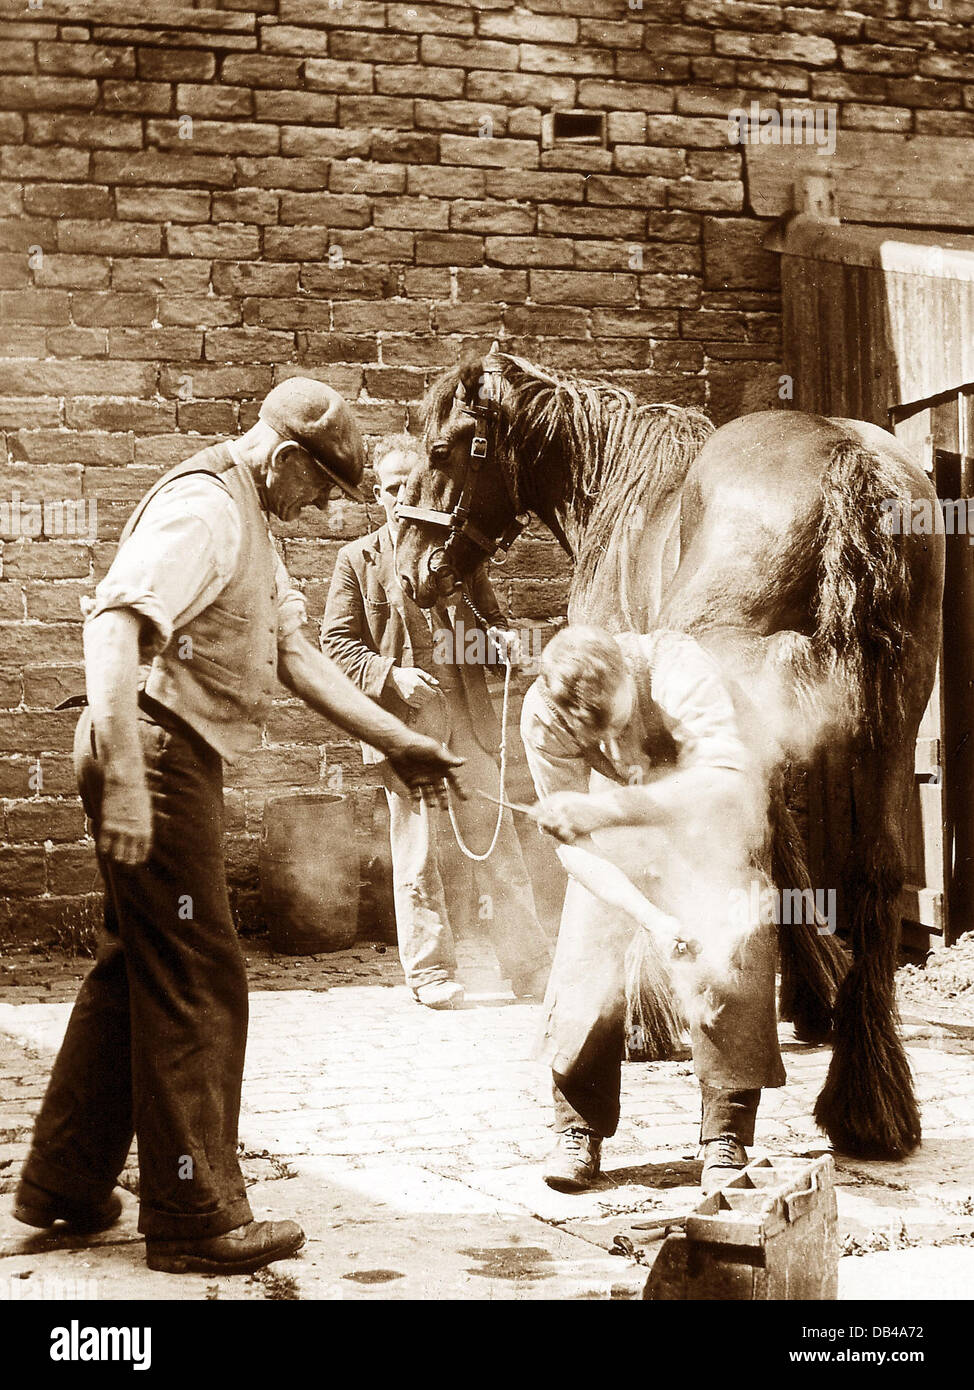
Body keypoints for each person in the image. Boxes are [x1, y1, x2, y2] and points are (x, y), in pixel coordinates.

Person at [13, 380, 463, 1274]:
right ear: (287, 459)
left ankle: (63, 1189)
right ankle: (196, 1218)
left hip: (163, 749)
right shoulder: (208, 509)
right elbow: (112, 629)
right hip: (151, 745)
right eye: (322, 488)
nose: (323, 507)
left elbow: (295, 652)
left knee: (132, 969)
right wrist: (132, 783)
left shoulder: (250, 515)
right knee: (200, 977)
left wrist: (399, 739)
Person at [520, 624, 785, 1195]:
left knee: (730, 937)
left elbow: (723, 779)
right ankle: (577, 1125)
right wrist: (653, 917)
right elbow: (576, 851)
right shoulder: (544, 715)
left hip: (714, 811)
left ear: (628, 679)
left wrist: (607, 809)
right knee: (587, 947)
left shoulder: (676, 670)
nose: (614, 751)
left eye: (618, 727)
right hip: (622, 820)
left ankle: (725, 1134)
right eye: (597, 741)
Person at [321, 434, 551, 1010]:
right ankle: (430, 973)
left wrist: (504, 643)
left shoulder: (455, 558)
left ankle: (530, 968)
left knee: (500, 851)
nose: (404, 498)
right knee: (419, 856)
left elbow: (492, 628)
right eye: (394, 488)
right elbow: (336, 643)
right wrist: (390, 676)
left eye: (413, 486)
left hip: (469, 723)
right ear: (378, 494)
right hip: (406, 731)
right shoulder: (357, 561)